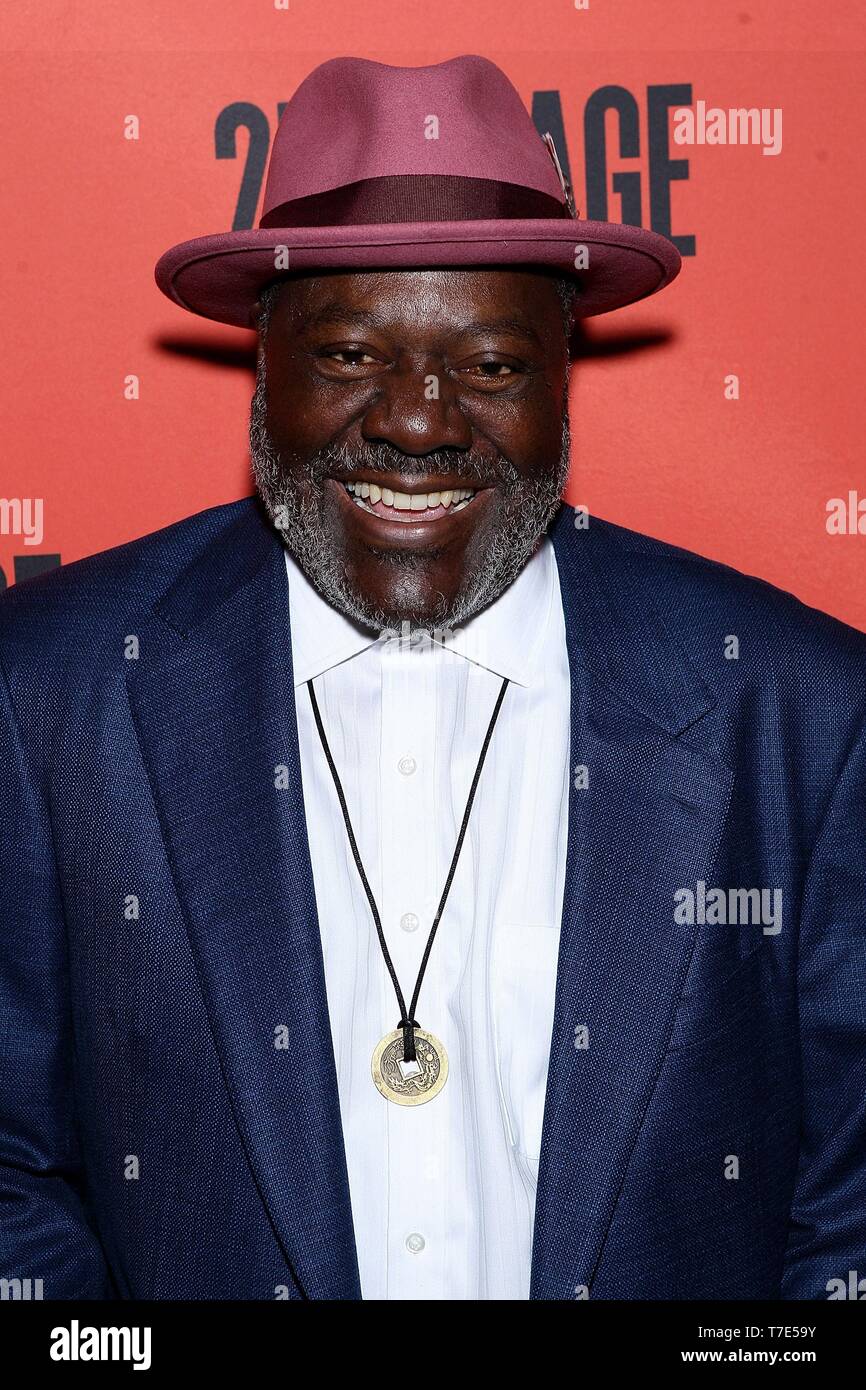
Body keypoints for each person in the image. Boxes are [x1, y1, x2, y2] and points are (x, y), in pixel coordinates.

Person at [1, 54, 864, 1302]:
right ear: (261, 363)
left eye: (493, 366)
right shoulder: (48, 695)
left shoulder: (794, 709)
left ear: (567, 374)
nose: (417, 420)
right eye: (350, 352)